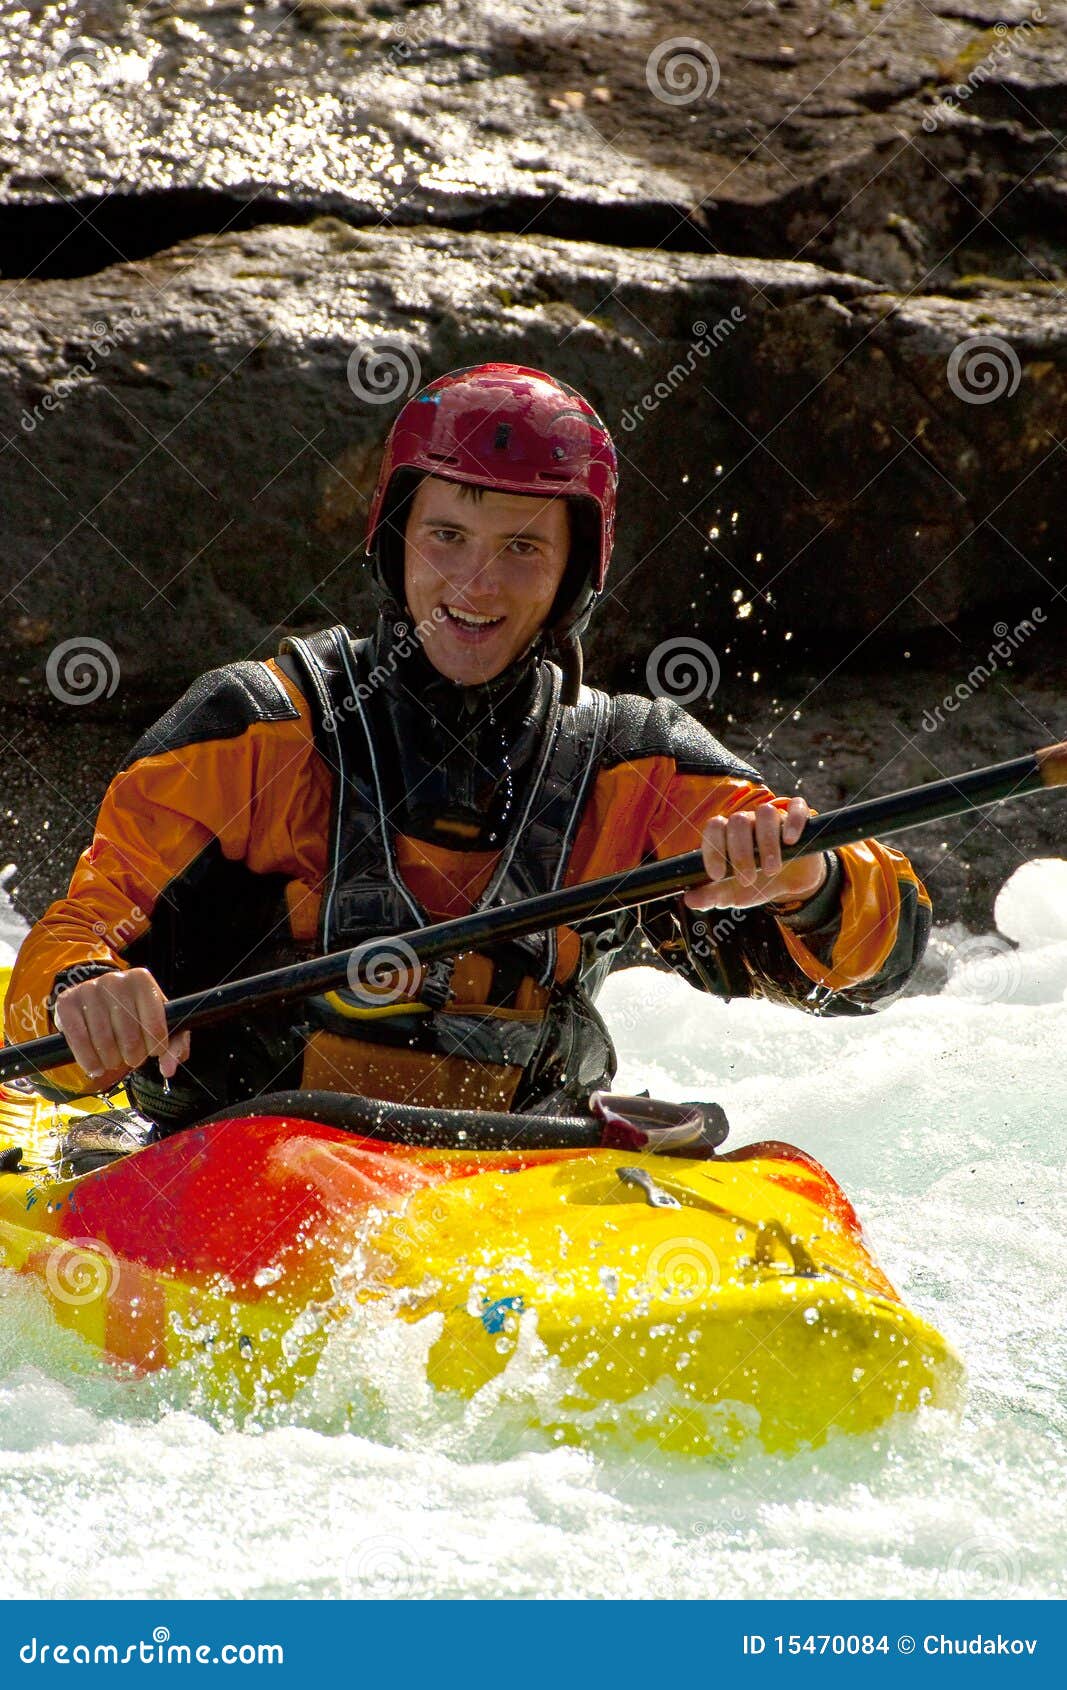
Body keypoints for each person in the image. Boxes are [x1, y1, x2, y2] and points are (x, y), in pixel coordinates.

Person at [4, 363, 930, 1131]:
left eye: (522, 548)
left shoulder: (634, 764)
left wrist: (811, 881)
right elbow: (68, 949)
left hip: (506, 1188)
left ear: (574, 574)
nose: (476, 584)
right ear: (396, 540)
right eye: (447, 536)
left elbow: (878, 967)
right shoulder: (252, 731)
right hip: (234, 1172)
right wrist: (84, 992)